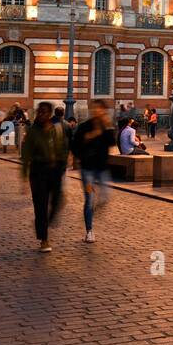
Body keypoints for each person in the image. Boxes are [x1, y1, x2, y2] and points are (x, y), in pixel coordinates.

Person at [20, 102, 68, 252]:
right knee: (40, 206)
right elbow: (26, 155)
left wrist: (64, 163)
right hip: (38, 172)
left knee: (57, 200)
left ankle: (46, 222)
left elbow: (62, 147)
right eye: (40, 112)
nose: (41, 115)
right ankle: (44, 239)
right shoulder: (33, 131)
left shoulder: (57, 128)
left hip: (55, 171)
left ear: (50, 114)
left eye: (45, 112)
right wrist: (24, 178)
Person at [72, 99, 117, 243]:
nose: (97, 112)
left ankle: (90, 212)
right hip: (88, 171)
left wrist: (108, 126)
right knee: (89, 198)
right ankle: (89, 231)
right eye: (95, 109)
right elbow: (75, 145)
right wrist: (80, 156)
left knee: (104, 197)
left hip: (102, 169)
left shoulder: (106, 127)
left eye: (99, 109)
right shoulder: (85, 126)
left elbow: (112, 142)